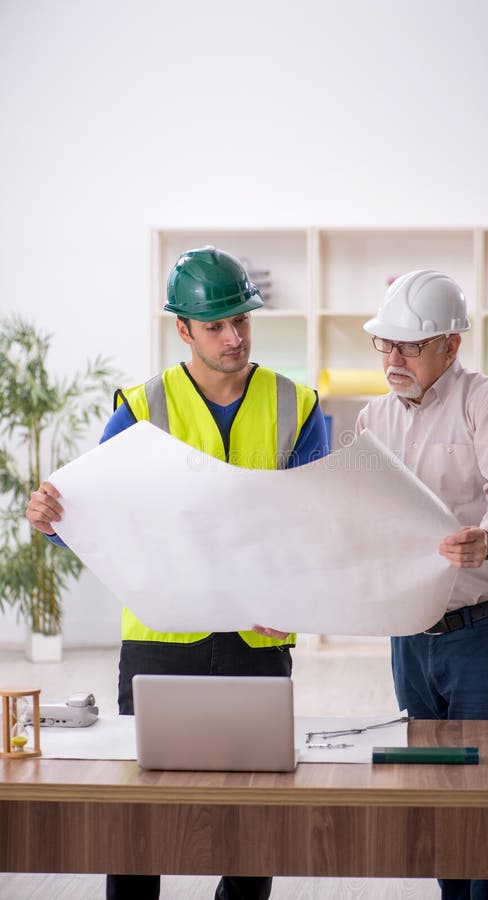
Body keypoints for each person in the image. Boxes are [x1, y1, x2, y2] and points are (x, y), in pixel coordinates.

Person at [26, 245, 329, 900]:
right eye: (216, 325)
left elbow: (314, 528)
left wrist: (300, 596)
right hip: (161, 640)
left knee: (254, 828)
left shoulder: (296, 404)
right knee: (138, 822)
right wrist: (52, 520)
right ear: (182, 329)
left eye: (241, 321)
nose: (233, 337)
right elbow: (90, 520)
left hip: (258, 639)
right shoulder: (140, 408)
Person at [357, 269, 488, 900]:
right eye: (385, 344)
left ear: (451, 346)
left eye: (410, 345)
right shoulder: (371, 419)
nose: (393, 358)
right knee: (436, 799)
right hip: (414, 636)